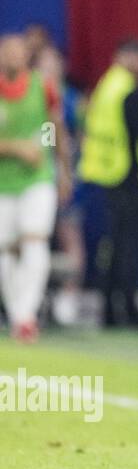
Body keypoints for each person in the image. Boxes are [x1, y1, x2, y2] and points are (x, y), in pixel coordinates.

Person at [78, 40, 138, 327]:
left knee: (115, 245)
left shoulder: (106, 86)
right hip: (129, 177)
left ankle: (110, 310)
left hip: (109, 174)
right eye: (137, 56)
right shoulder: (128, 90)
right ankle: (127, 309)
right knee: (128, 247)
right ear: (124, 57)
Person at [0, 32, 71, 341]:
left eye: (19, 51)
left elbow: (51, 127)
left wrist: (62, 168)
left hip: (37, 178)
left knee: (35, 241)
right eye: (7, 51)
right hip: (4, 181)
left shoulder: (43, 87)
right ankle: (17, 312)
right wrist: (18, 148)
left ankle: (26, 315)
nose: (13, 56)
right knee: (6, 249)